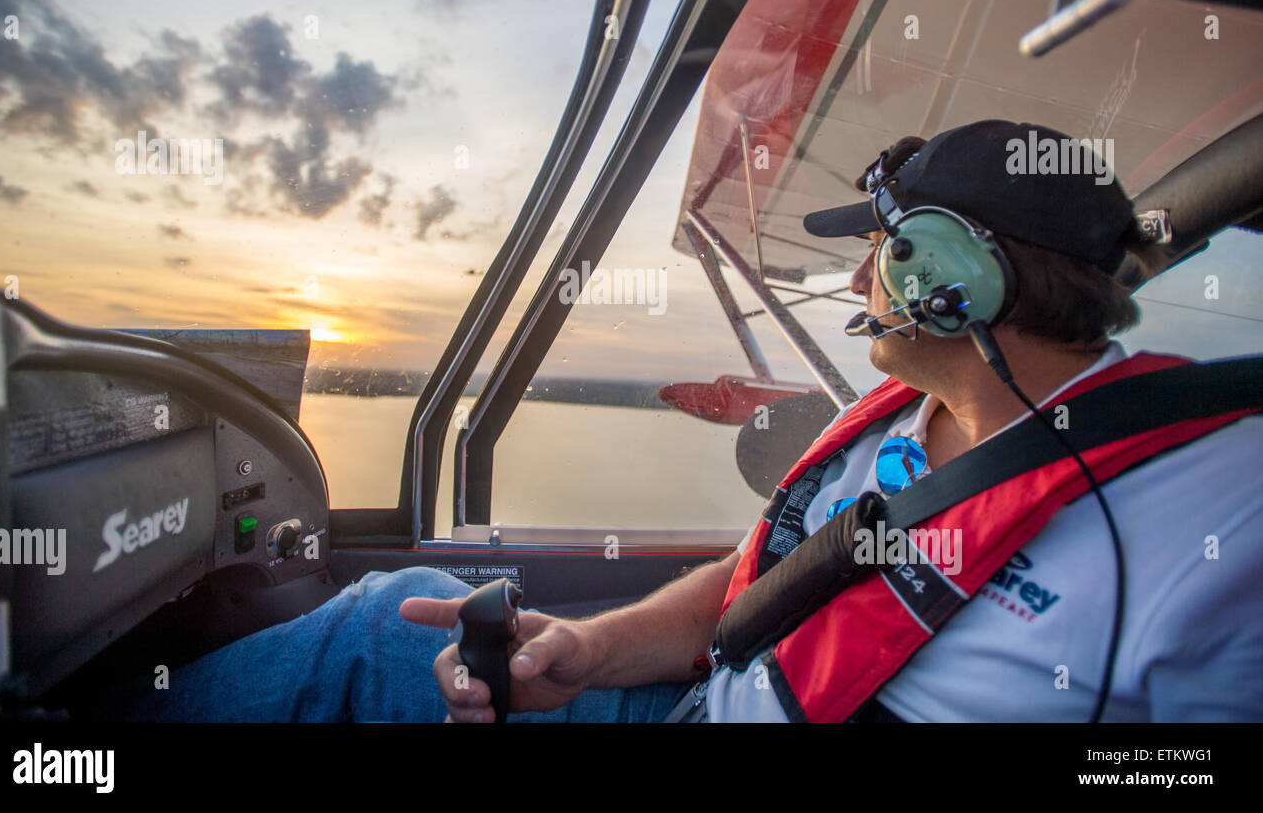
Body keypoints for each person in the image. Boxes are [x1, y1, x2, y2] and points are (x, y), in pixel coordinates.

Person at [132, 120, 1263, 722]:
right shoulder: (893, 422)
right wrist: (589, 650)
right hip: (700, 698)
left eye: (888, 242)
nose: (865, 269)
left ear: (954, 273)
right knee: (380, 622)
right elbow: (757, 579)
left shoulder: (1222, 499)